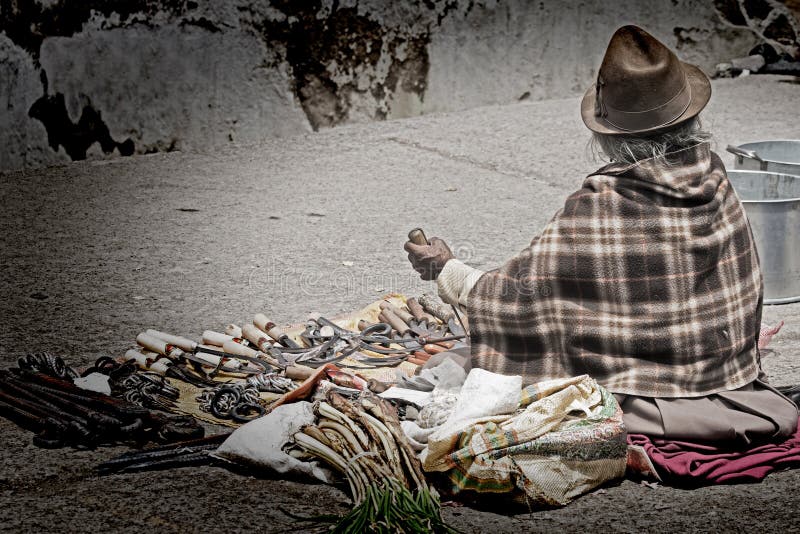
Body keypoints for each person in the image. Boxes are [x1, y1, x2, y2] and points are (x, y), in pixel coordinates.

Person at [404, 25, 797, 444]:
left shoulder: (603, 203)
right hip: (729, 373)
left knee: (470, 364)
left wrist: (448, 269)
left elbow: (522, 295)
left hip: (656, 390)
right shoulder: (714, 175)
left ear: (610, 134)